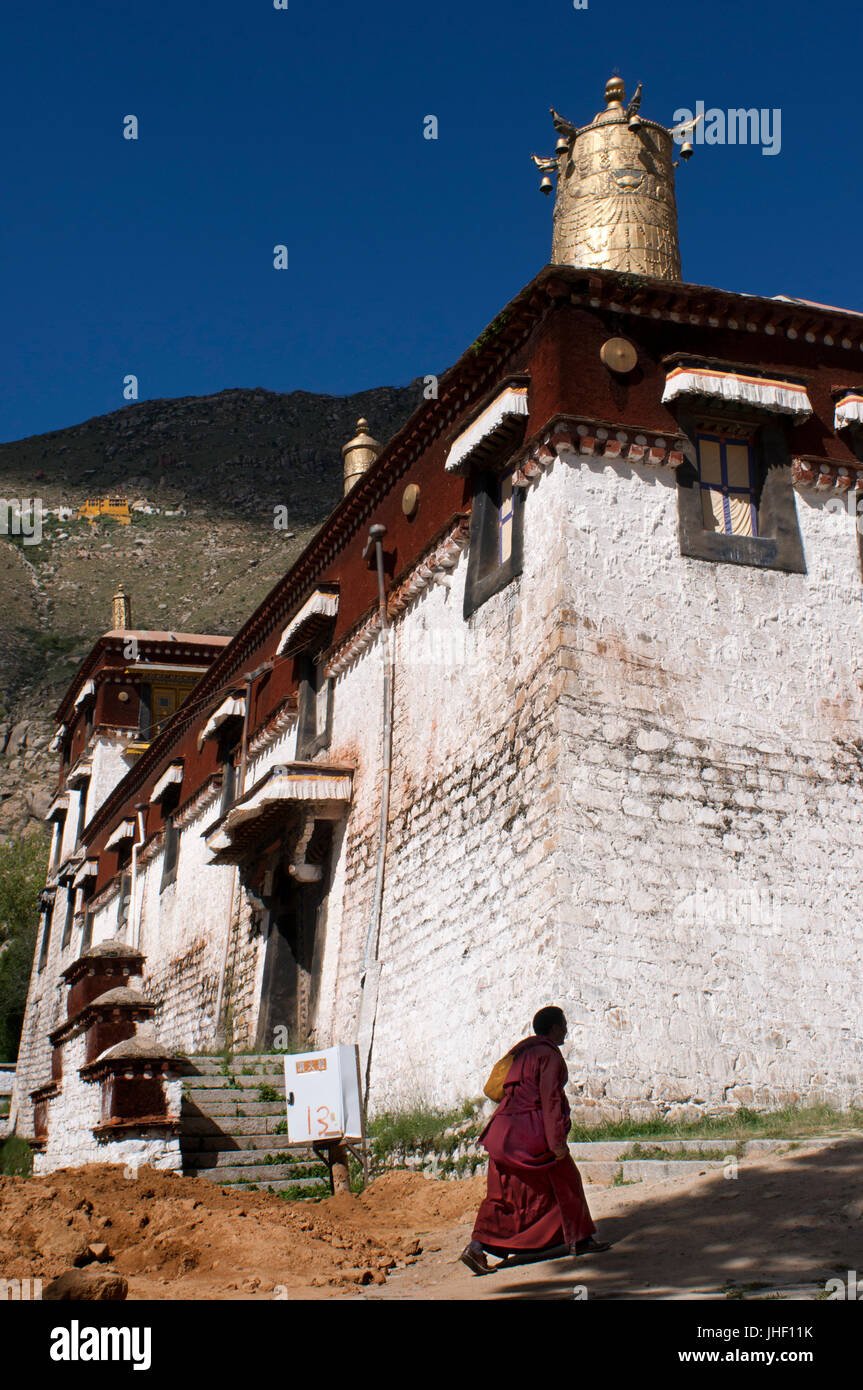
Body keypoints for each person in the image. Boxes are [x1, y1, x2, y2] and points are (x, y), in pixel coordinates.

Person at [460, 1005, 609, 1275]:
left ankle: (476, 1248)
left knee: (504, 1195)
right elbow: (550, 1099)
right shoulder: (548, 1056)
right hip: (530, 1133)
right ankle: (581, 1239)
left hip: (502, 1132)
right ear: (553, 1028)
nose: (566, 1029)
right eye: (563, 1025)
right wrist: (556, 1142)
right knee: (567, 1182)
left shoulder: (522, 1053)